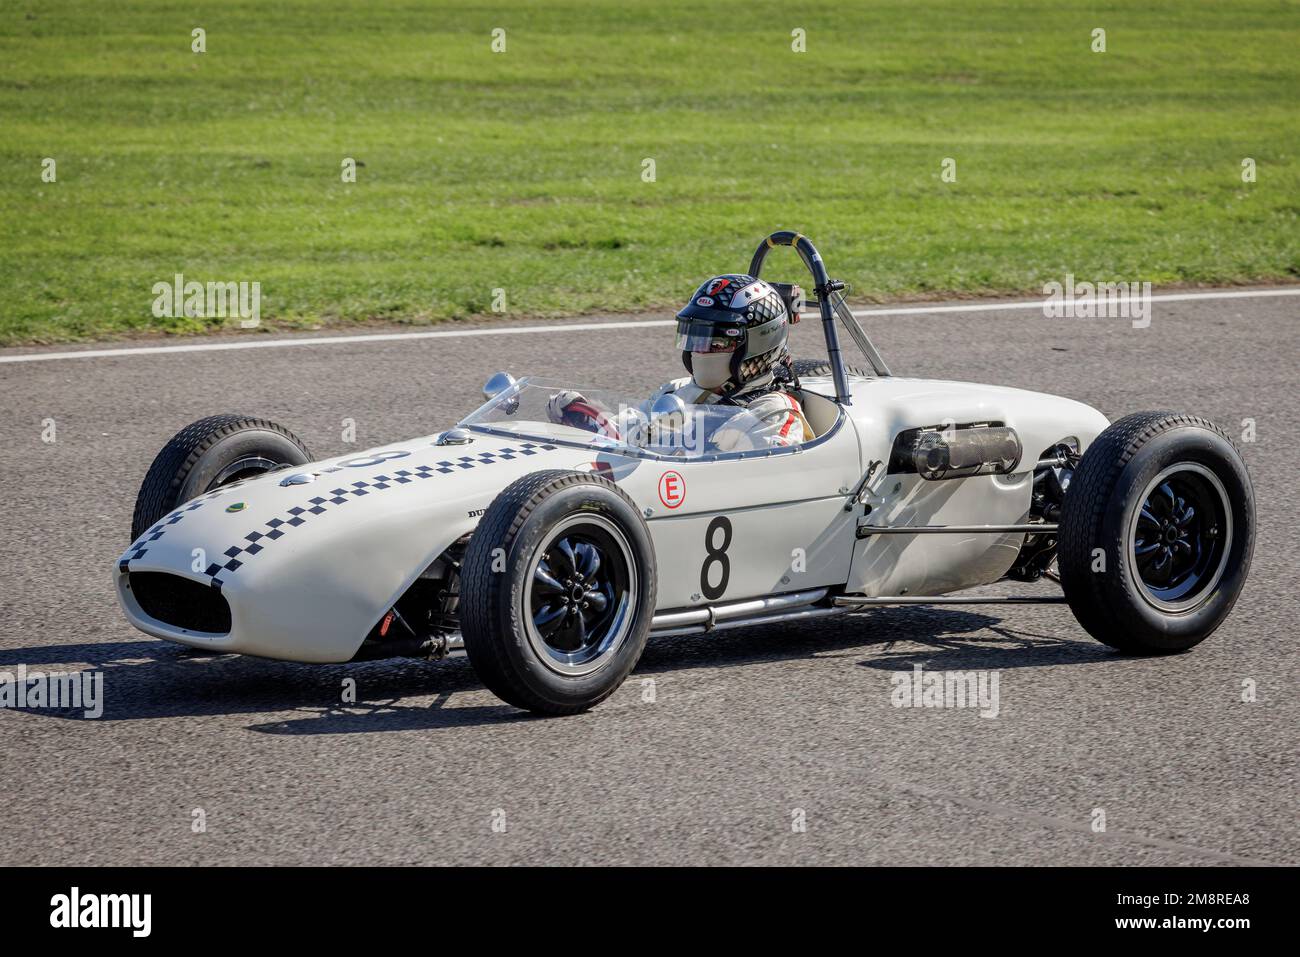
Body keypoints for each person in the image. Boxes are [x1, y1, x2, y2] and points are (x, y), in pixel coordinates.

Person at [549, 274, 810, 452]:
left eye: (716, 341)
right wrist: (588, 416)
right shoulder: (678, 392)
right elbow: (629, 430)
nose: (701, 350)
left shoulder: (774, 415)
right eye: (696, 337)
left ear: (758, 345)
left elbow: (762, 483)